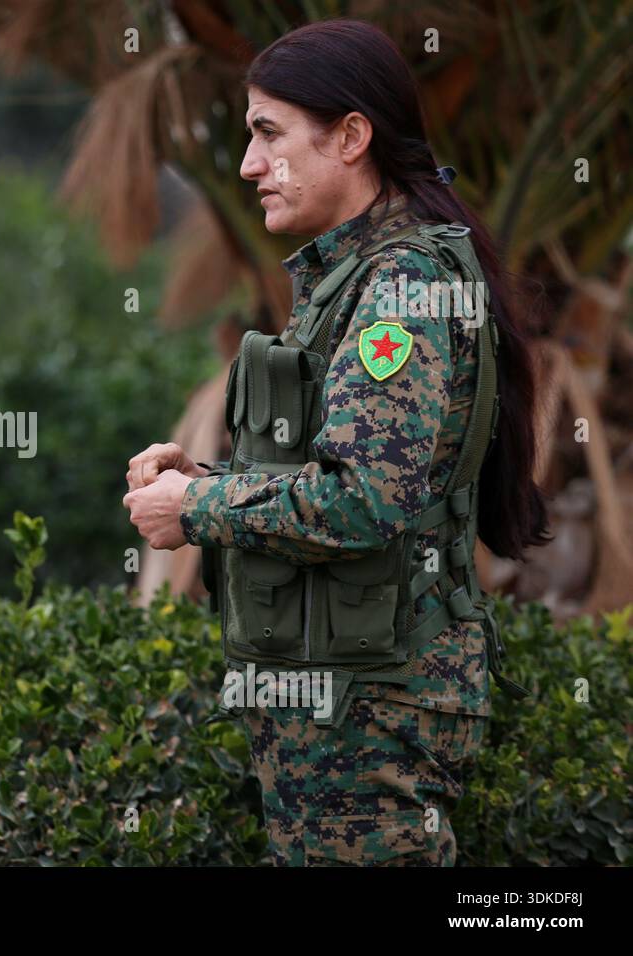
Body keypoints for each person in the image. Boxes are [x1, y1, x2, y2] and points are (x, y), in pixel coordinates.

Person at [123, 20, 549, 866]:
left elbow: (365, 500)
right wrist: (202, 477)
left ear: (351, 136)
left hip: (372, 704)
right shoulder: (362, 274)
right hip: (350, 698)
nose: (249, 166)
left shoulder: (400, 286)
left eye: (268, 134)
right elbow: (365, 472)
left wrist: (198, 507)